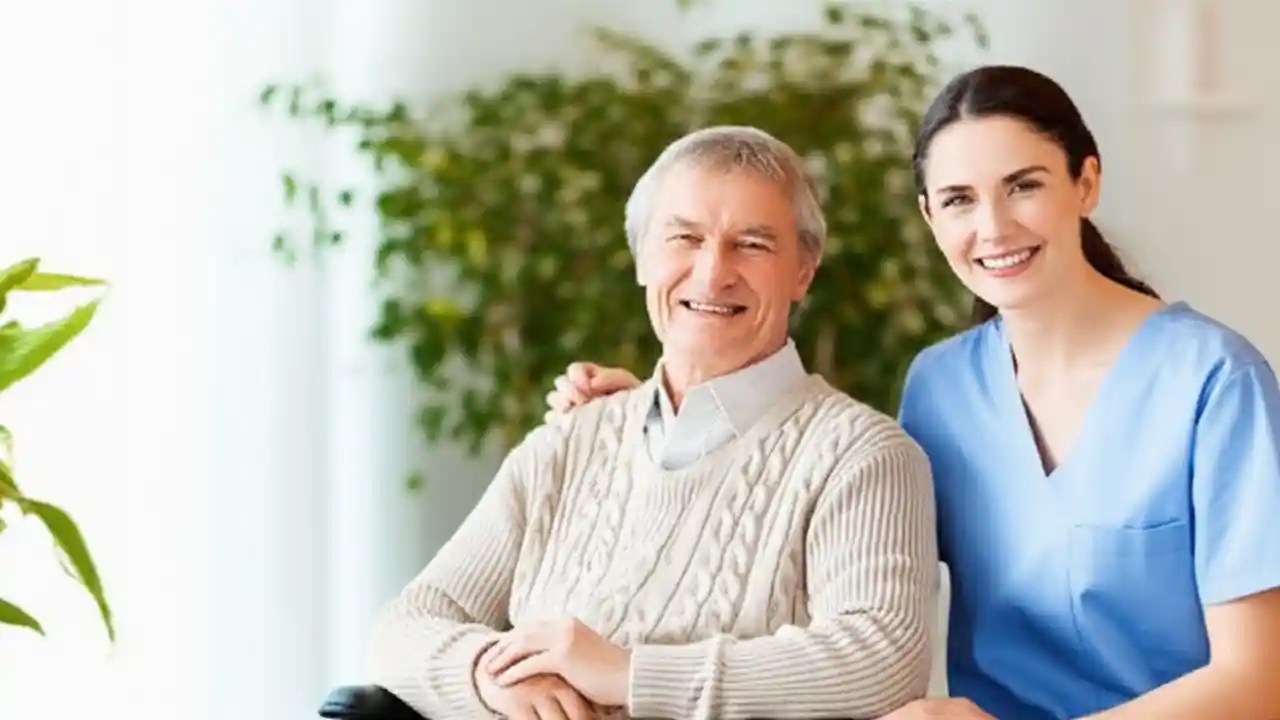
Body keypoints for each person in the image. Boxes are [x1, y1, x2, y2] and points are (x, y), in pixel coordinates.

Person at [545, 66, 1280, 719]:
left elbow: (1260, 683)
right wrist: (665, 415)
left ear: (1085, 182)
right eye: (959, 199)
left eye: (1024, 186)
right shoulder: (942, 386)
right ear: (931, 217)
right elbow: (819, 498)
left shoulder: (1214, 382)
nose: (992, 226)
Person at [369, 125, 940, 720]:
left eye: (752, 244)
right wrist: (493, 674)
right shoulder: (568, 440)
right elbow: (406, 625)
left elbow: (881, 656)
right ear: (642, 256)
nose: (713, 271)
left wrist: (631, 674)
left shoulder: (862, 454)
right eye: (684, 238)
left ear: (803, 272)